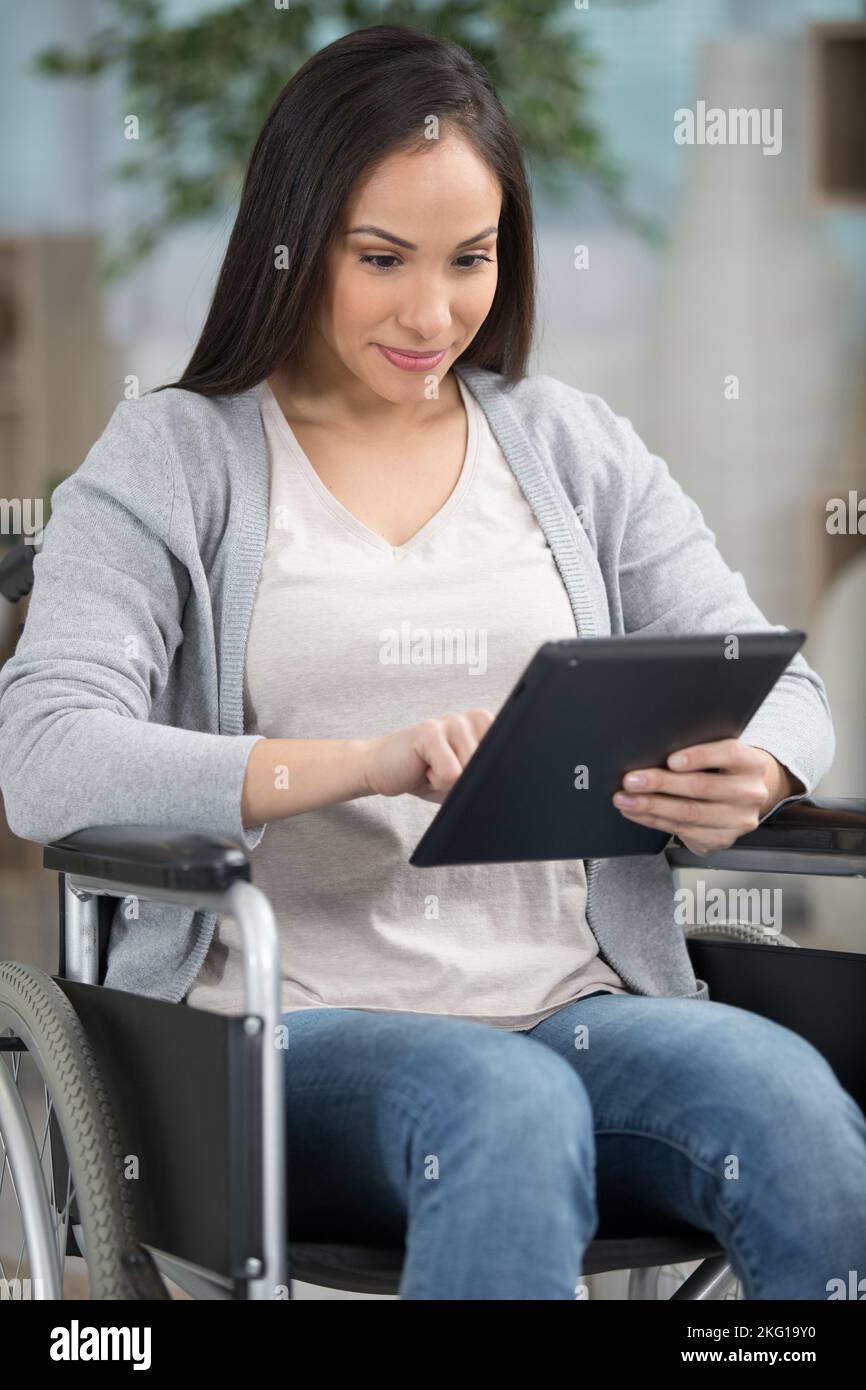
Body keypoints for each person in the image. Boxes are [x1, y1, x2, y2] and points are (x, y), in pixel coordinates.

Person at [1, 25, 864, 1300]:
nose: (432, 312)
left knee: (787, 1100)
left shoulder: (569, 446)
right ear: (293, 240)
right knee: (499, 1099)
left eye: (470, 260)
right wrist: (361, 762)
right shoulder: (170, 461)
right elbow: (46, 757)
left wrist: (763, 762)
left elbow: (775, 678)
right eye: (381, 260)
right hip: (286, 1029)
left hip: (572, 1005)